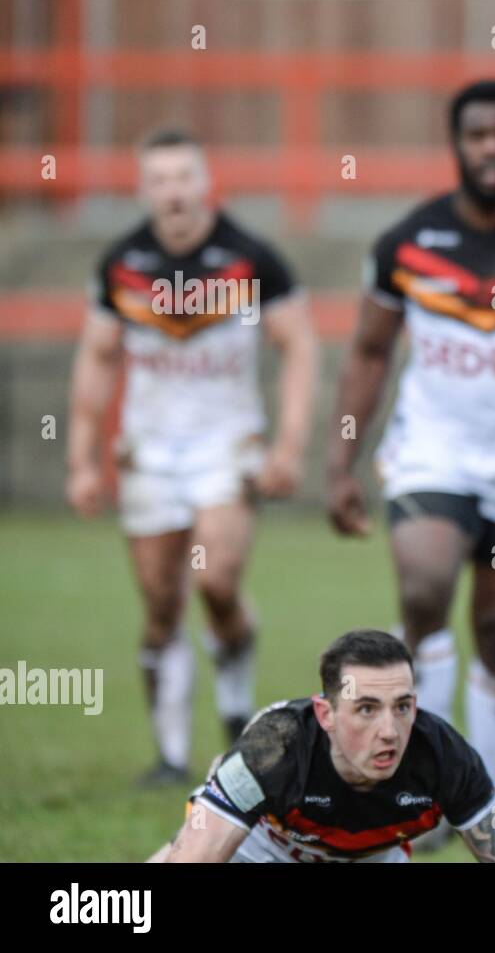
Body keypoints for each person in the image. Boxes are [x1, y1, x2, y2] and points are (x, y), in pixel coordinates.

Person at [327, 81, 495, 805]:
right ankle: (421, 790)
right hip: (431, 452)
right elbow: (370, 354)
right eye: (478, 135)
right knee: (425, 589)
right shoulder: (406, 243)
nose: (492, 148)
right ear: (457, 143)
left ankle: (481, 800)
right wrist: (340, 460)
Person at [67, 128, 317, 786]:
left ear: (206, 182)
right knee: (158, 603)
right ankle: (171, 754)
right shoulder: (121, 264)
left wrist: (288, 443)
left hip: (225, 447)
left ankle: (236, 718)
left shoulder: (250, 257)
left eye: (184, 177)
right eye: (159, 180)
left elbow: (299, 347)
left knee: (215, 580)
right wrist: (81, 459)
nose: (173, 192)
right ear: (143, 190)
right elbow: (96, 360)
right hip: (147, 454)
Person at [152, 629, 495, 862]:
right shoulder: (274, 750)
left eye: (402, 707)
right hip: (264, 851)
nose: (389, 730)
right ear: (325, 713)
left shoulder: (443, 757)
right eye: (366, 709)